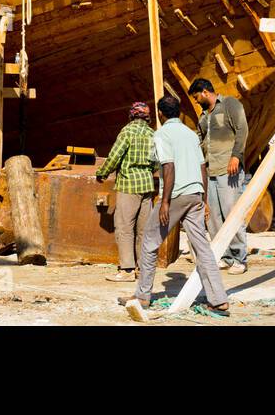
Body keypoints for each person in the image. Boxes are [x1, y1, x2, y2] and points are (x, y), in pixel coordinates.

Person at [123, 94, 230, 316]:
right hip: (196, 194)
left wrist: (164, 202)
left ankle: (142, 296)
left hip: (175, 195)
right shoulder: (191, 135)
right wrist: (204, 199)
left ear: (160, 114)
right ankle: (219, 300)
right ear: (179, 112)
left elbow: (168, 167)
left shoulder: (162, 134)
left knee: (150, 243)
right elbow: (203, 168)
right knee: (202, 248)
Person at [190, 77, 249, 273]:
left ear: (205, 92)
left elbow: (242, 129)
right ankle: (225, 256)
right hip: (210, 170)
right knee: (213, 218)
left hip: (228, 169)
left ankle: (240, 258)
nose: (196, 101)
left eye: (197, 97)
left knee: (231, 214)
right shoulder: (203, 117)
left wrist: (236, 156)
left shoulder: (230, 104)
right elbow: (200, 141)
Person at [94, 101, 156, 282]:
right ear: (147, 116)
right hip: (147, 185)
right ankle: (142, 270)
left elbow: (115, 156)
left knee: (124, 227)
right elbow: (157, 161)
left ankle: (127, 270)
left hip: (129, 184)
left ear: (132, 115)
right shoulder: (152, 134)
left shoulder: (127, 131)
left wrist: (102, 173)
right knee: (143, 230)